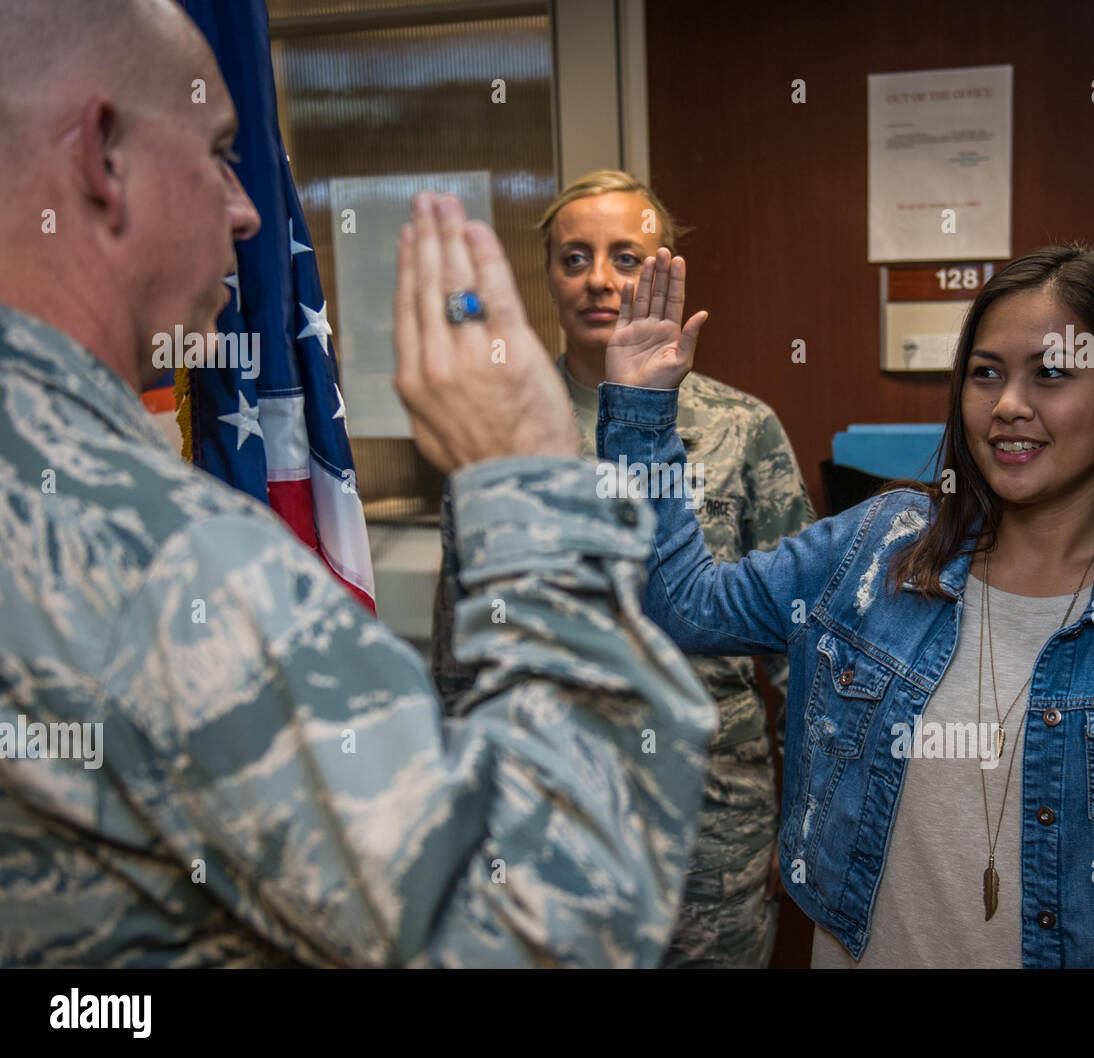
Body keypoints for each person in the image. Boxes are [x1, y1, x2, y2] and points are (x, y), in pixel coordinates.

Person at [0, 0, 716, 967]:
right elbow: (546, 924)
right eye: (219, 153)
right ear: (105, 157)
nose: (249, 207)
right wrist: (533, 484)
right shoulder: (162, 560)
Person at [596, 243, 1094, 967]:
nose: (1008, 406)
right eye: (985, 373)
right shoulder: (875, 547)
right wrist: (642, 412)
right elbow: (674, 603)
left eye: (1051, 373)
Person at [432, 171, 815, 967]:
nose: (600, 280)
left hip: (713, 825)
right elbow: (462, 651)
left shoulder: (741, 428)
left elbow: (805, 650)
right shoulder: (501, 430)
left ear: (663, 270)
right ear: (548, 276)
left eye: (626, 257)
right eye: (576, 258)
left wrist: (806, 817)